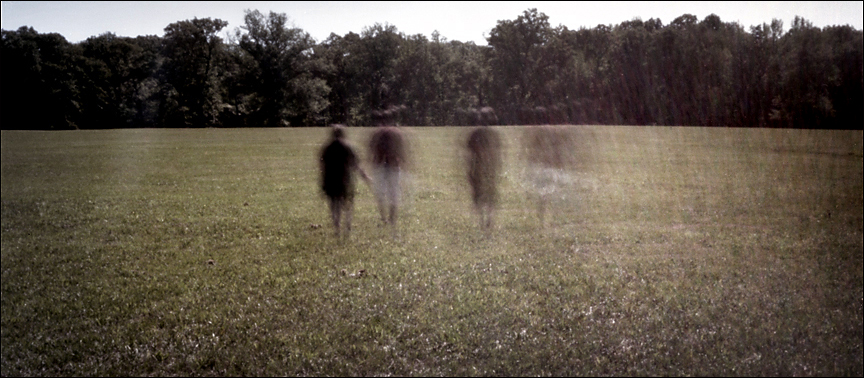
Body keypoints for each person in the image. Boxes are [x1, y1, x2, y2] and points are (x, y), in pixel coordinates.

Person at [319, 125, 369, 238]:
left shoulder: (327, 148)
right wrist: (365, 176)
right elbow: (356, 165)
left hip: (330, 180)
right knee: (348, 204)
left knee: (334, 205)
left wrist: (322, 181)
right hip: (345, 180)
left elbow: (322, 165)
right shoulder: (348, 146)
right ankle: (348, 226)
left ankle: (337, 227)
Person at [368, 110, 407, 229]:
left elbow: (371, 148)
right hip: (393, 164)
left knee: (381, 192)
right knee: (393, 192)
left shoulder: (377, 133)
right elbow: (401, 149)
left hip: (379, 164)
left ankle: (384, 218)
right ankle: (391, 219)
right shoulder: (397, 133)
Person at [466, 124, 502, 233]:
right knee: (490, 197)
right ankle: (489, 221)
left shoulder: (474, 134)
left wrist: (470, 170)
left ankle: (482, 221)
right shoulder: (493, 134)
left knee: (478, 197)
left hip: (478, 168)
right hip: (490, 169)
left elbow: (470, 156)